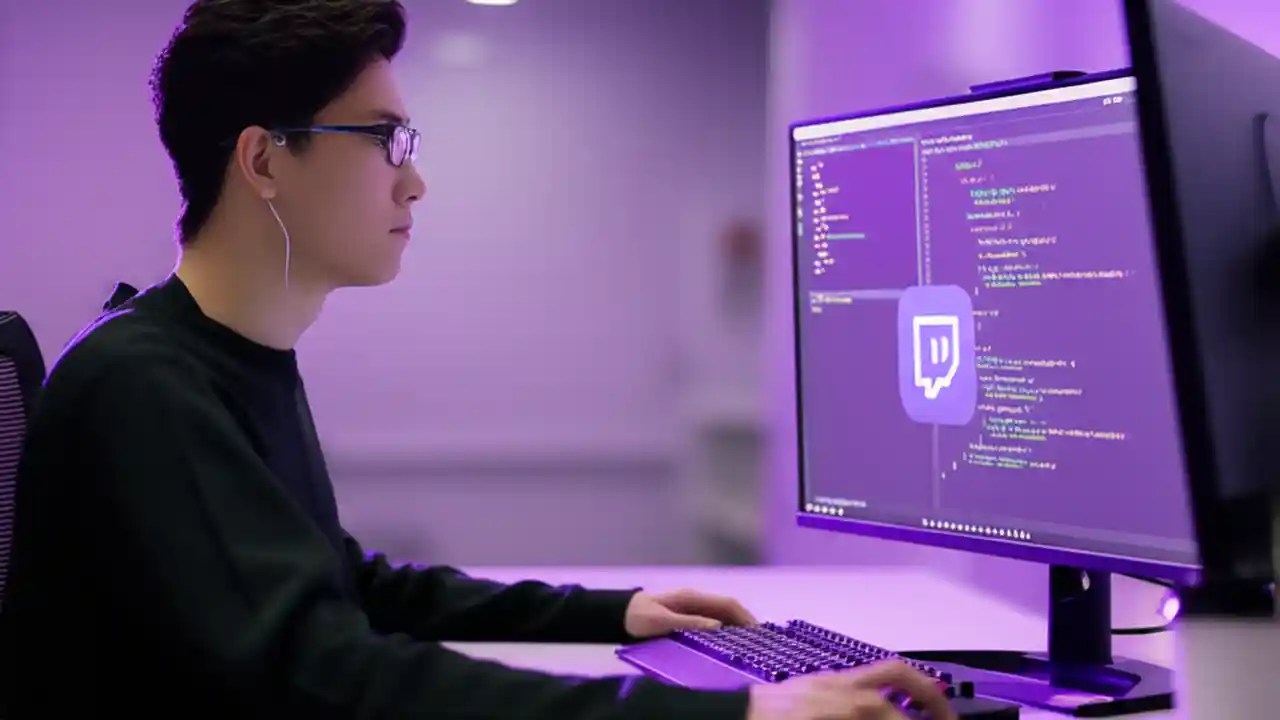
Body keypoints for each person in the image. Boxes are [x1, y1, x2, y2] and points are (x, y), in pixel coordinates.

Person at [0, 1, 954, 718]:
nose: (414, 180)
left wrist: (614, 613)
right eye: (384, 140)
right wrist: (738, 711)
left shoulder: (228, 361)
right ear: (262, 161)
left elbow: (345, 585)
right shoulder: (144, 387)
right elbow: (331, 669)